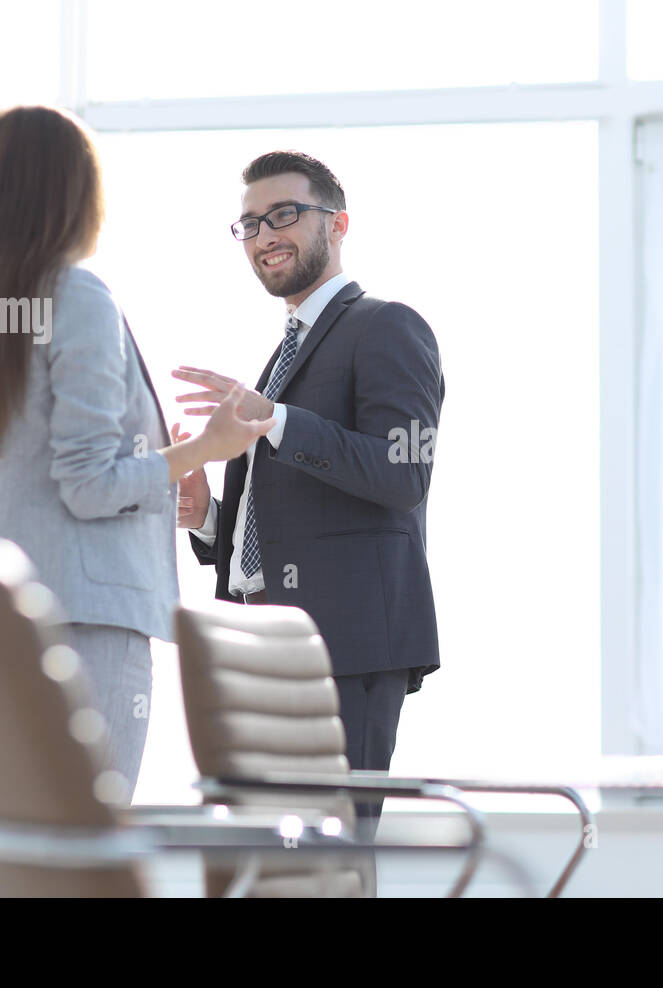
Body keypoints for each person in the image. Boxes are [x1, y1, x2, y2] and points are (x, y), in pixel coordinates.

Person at [0, 106, 274, 804]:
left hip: (14, 618)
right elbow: (90, 486)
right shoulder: (78, 296)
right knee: (82, 851)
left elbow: (12, 480)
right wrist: (203, 448)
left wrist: (164, 479)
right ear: (76, 191)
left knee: (32, 852)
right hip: (90, 622)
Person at [173, 151, 444, 819]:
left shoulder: (386, 326)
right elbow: (288, 499)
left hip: (343, 644)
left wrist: (276, 418)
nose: (266, 235)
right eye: (251, 224)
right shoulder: (286, 351)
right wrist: (211, 518)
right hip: (258, 640)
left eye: (284, 215)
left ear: (339, 223)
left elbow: (401, 472)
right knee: (271, 863)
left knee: (336, 860)